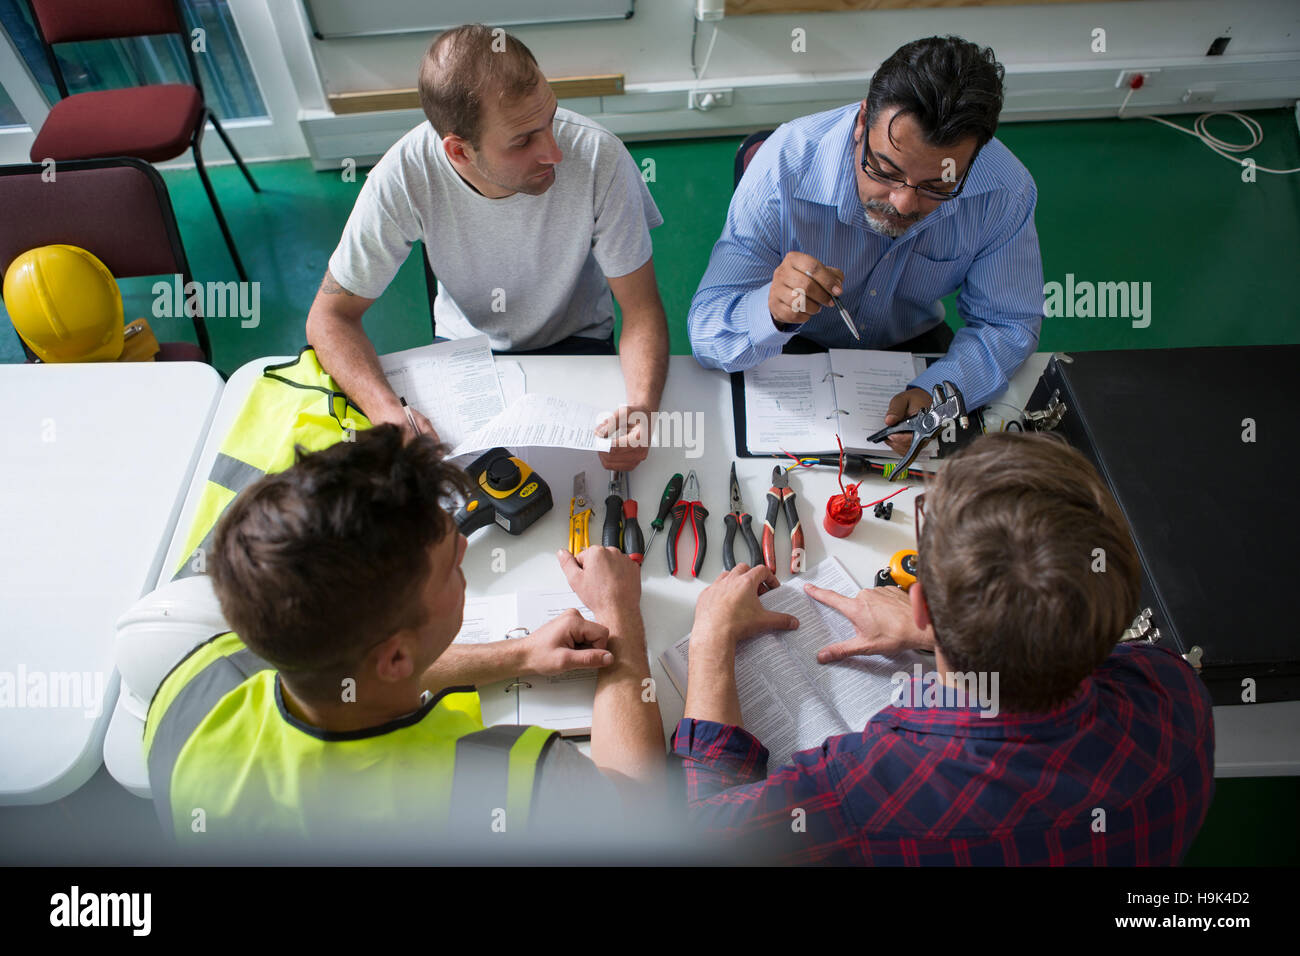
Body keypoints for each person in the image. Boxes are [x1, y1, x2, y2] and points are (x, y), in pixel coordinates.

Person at [672, 433, 1214, 865]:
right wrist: (961, 631)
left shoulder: (863, 796)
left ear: (919, 604)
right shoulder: (1173, 696)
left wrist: (711, 639)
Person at [142, 426, 665, 859]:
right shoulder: (510, 782)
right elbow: (638, 816)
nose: (465, 543)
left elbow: (348, 676)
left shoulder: (190, 689)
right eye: (450, 567)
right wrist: (619, 611)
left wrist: (520, 654)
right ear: (394, 656)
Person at [306, 24, 668, 471]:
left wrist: (643, 407)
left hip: (578, 341)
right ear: (458, 151)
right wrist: (387, 413)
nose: (554, 151)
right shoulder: (402, 175)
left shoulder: (599, 157)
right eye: (523, 140)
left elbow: (641, 308)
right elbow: (330, 316)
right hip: (466, 350)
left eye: (550, 119)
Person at [688, 36, 1043, 454]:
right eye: (886, 169)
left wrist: (943, 393)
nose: (903, 203)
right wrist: (771, 309)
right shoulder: (785, 163)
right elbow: (707, 332)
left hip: (914, 344)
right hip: (793, 342)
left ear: (974, 158)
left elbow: (1008, 323)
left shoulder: (1004, 190)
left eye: (937, 186)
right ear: (861, 123)